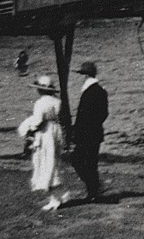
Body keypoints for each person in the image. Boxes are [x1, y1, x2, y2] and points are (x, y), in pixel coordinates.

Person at [17, 74, 65, 210]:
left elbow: (38, 120)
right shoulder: (57, 101)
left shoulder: (40, 103)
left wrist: (30, 130)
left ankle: (55, 199)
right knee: (54, 162)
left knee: (45, 162)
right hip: (56, 130)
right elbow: (59, 116)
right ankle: (58, 196)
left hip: (45, 132)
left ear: (41, 90)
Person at [70, 60, 108, 202]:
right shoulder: (101, 91)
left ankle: (93, 189)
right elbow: (104, 113)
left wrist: (77, 132)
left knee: (77, 160)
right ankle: (94, 190)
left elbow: (83, 116)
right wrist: (95, 125)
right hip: (96, 132)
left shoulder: (88, 92)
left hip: (85, 133)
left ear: (85, 76)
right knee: (91, 162)